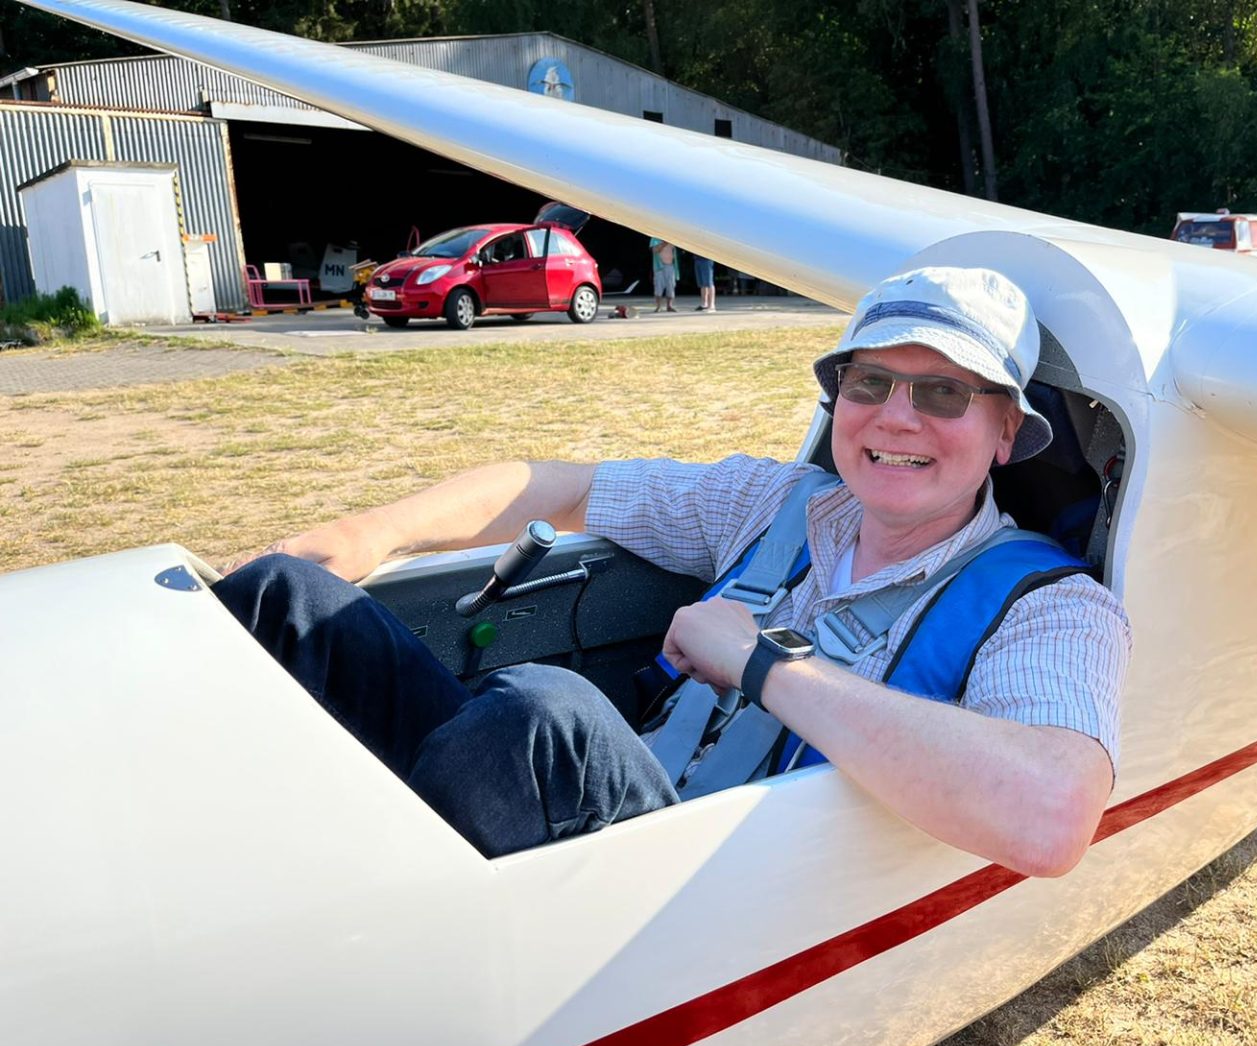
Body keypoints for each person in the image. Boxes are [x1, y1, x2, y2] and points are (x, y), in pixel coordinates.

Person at [216, 267, 1130, 877]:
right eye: (869, 383)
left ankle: (365, 911)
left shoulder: (1050, 607)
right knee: (285, 596)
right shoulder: (773, 504)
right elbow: (559, 486)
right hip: (609, 820)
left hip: (718, 889)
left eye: (944, 393)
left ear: (1006, 430)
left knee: (546, 714)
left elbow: (1051, 817)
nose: (896, 418)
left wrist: (765, 662)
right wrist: (368, 530)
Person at [649, 236, 678, 312]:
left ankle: (669, 306)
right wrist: (664, 243)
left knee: (671, 286)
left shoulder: (673, 238)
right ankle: (658, 306)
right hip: (659, 267)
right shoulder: (655, 239)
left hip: (671, 266)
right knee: (658, 286)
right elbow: (654, 251)